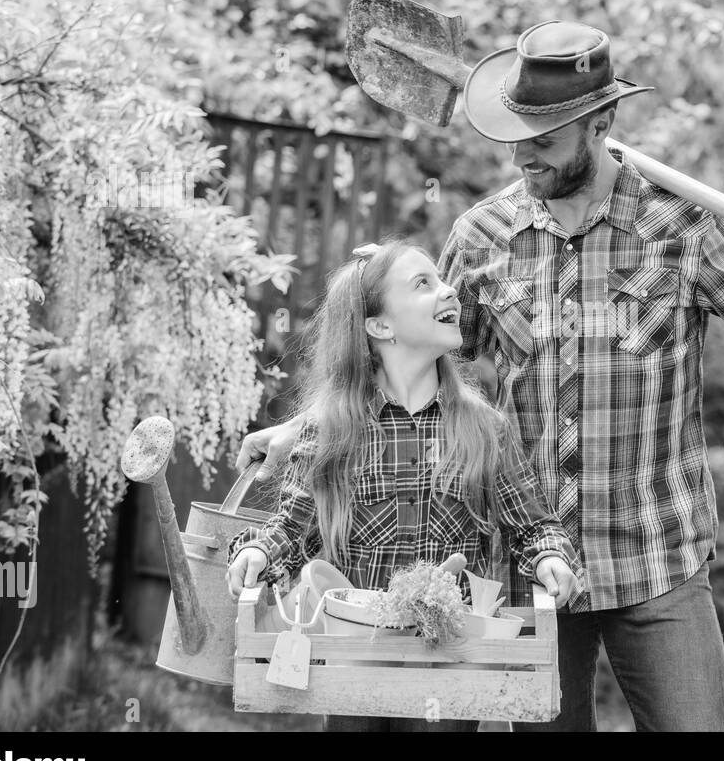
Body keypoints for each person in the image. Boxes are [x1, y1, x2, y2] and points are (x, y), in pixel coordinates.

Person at [240, 20, 724, 731]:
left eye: (545, 141)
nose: (524, 156)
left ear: (601, 123)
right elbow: (411, 374)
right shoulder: (483, 236)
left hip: (658, 557)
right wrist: (301, 430)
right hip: (528, 566)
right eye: (517, 136)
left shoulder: (682, 226)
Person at [225, 240, 581, 732]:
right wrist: (260, 553)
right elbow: (291, 527)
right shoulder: (333, 429)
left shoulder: (483, 428)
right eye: (423, 284)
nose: (449, 290)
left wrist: (550, 557)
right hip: (355, 660)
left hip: (450, 663)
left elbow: (532, 526)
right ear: (380, 326)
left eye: (441, 279)